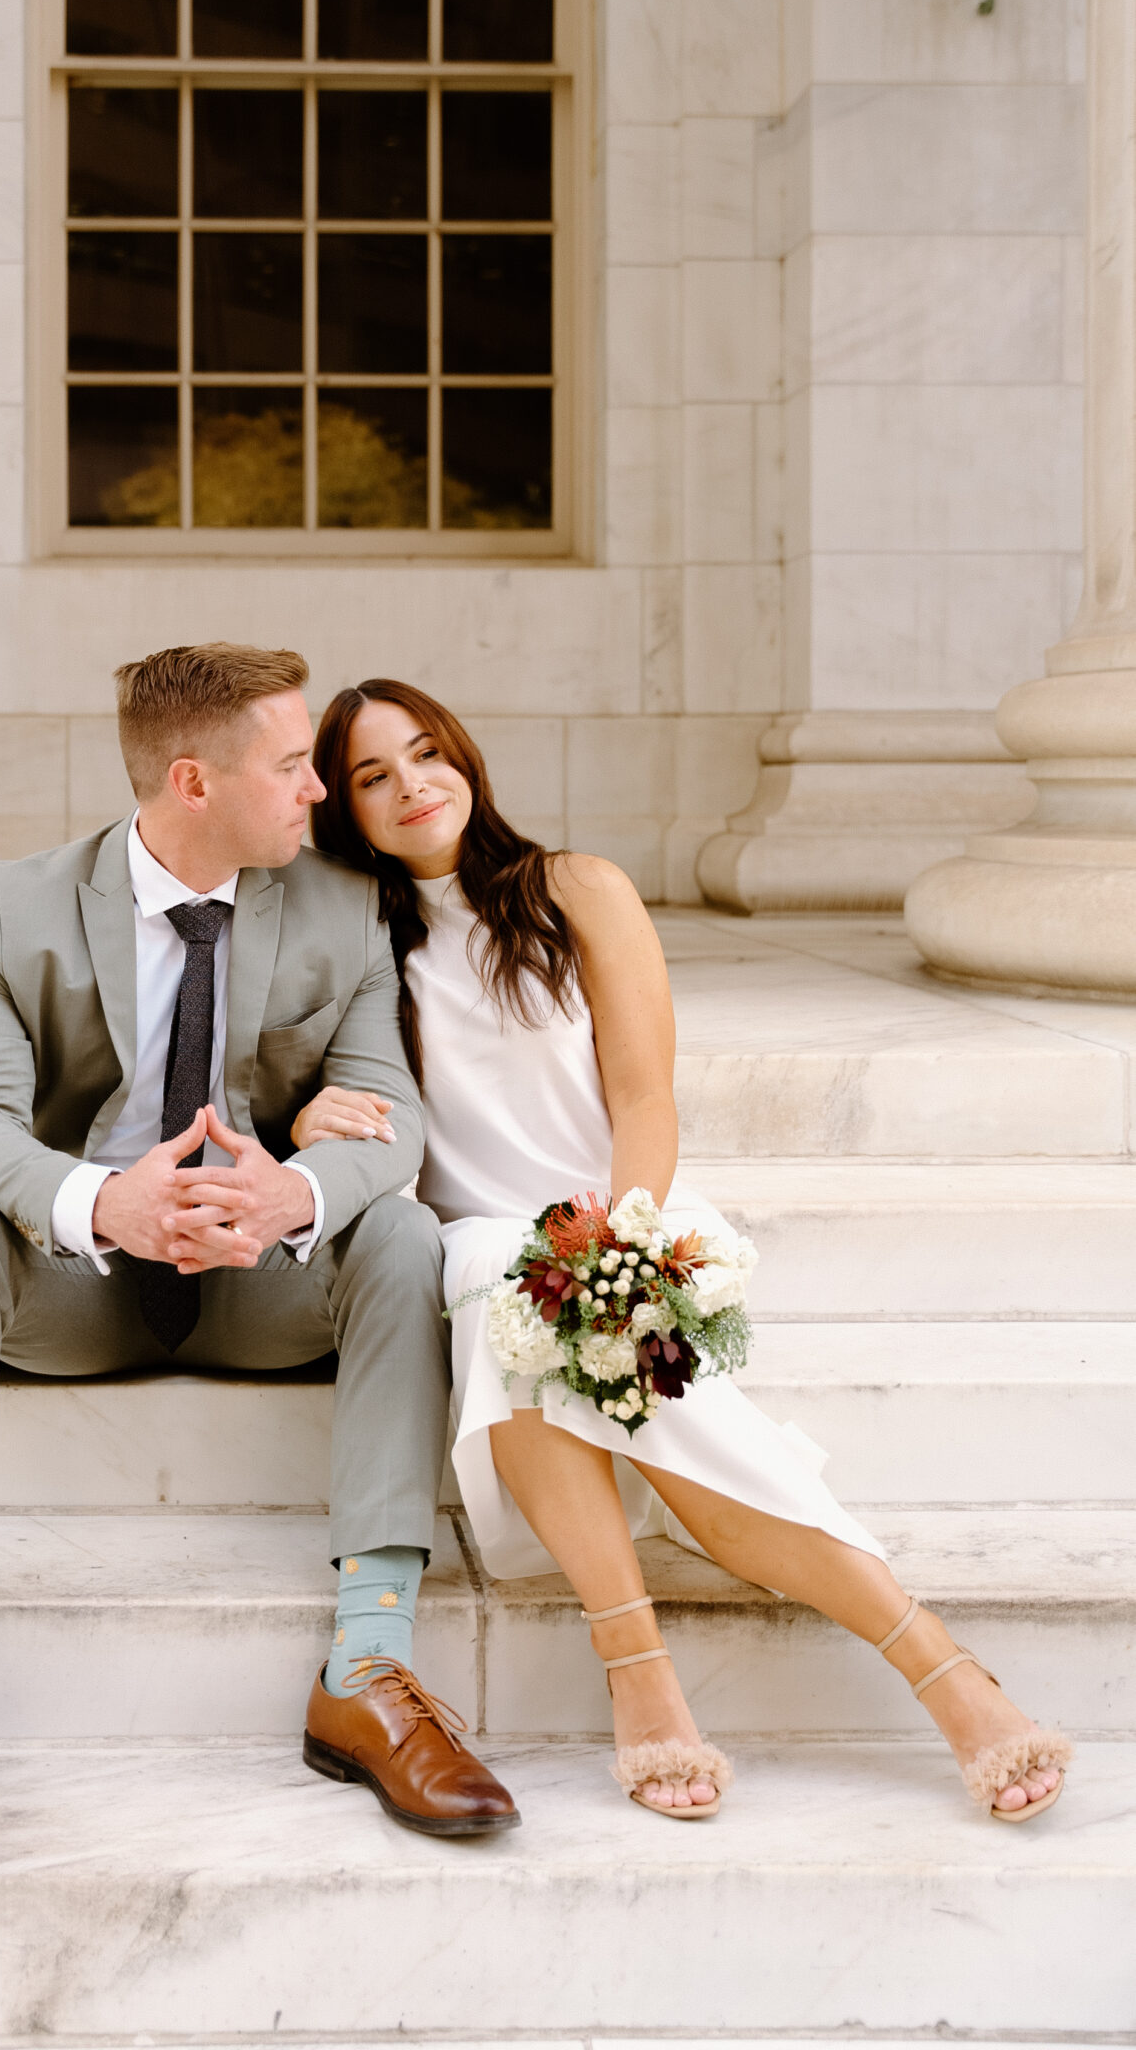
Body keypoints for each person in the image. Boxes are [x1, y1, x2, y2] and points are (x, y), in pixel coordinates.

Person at [298, 676, 1070, 1826]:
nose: (412, 784)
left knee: (601, 1363)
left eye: (426, 753)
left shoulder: (576, 889)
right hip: (475, 1239)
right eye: (373, 775)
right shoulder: (355, 940)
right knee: (506, 1289)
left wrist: (618, 1243)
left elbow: (644, 1094)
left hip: (622, 1215)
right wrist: (310, 1113)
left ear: (463, 756)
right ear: (347, 810)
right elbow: (305, 1080)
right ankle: (932, 1664)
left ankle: (685, 1669)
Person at [0, 643, 518, 1866]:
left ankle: (369, 1669)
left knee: (400, 1231)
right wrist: (105, 1203)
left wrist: (291, 1189)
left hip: (263, 1287)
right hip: (81, 1284)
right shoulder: (19, 902)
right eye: (292, 765)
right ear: (193, 781)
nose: (319, 788)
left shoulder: (339, 905)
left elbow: (395, 1118)